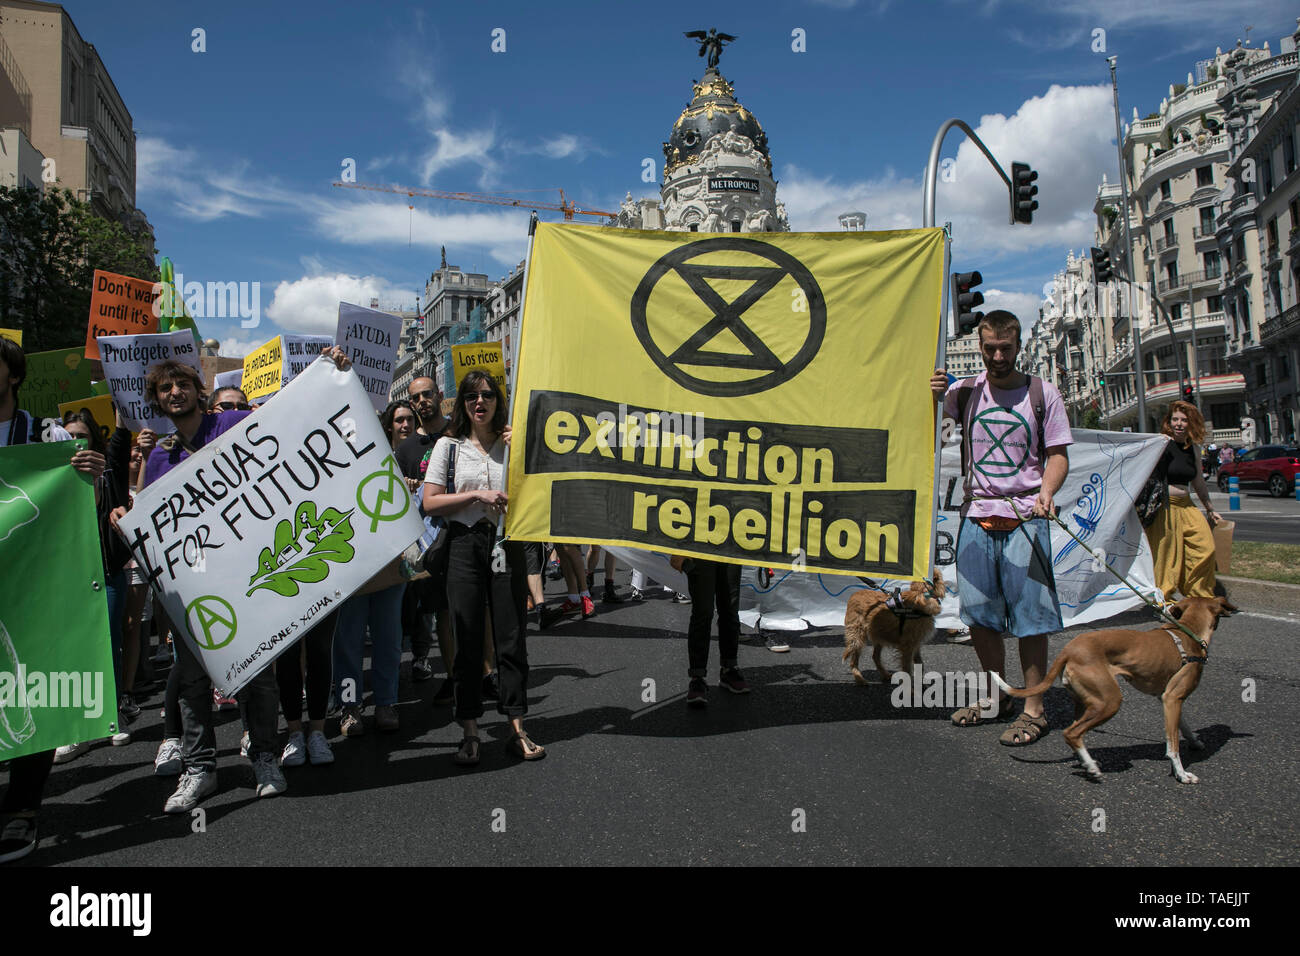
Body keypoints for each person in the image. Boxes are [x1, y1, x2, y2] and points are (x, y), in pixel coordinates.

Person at [112, 347, 353, 813]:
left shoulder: (230, 426)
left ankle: (264, 756)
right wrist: (127, 513)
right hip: (191, 587)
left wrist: (329, 369)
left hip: (245, 578)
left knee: (257, 675)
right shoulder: (158, 458)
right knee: (193, 681)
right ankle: (199, 769)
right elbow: (149, 518)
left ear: (198, 393)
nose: (176, 393)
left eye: (182, 385)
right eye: (166, 389)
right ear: (157, 402)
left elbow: (289, 419)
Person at [931, 310, 1072, 747]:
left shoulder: (1041, 393)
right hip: (975, 517)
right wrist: (934, 398)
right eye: (989, 348)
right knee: (980, 618)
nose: (997, 356)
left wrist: (1046, 492)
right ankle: (996, 696)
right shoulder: (964, 392)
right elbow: (936, 436)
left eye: (1005, 349)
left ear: (1018, 346)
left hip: (1026, 521)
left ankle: (1034, 708)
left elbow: (1058, 454)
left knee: (1031, 619)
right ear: (980, 346)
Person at [0, 338, 105, 863]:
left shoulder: (46, 435)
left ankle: (22, 810)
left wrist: (91, 477)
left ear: (13, 375)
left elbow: (79, 505)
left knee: (30, 686)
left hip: (30, 587)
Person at [422, 370, 543, 764]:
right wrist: (476, 494)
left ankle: (517, 728)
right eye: (472, 396)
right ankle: (470, 731)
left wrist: (521, 452)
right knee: (467, 639)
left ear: (497, 401)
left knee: (511, 639)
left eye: (487, 395)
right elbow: (430, 502)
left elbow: (539, 491)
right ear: (463, 403)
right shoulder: (449, 447)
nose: (480, 402)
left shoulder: (514, 444)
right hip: (463, 546)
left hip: (506, 543)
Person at [52, 410, 135, 761]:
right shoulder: (54, 479)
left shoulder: (110, 471)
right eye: (69, 437)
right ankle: (78, 728)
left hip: (107, 571)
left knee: (109, 643)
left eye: (82, 437)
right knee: (73, 650)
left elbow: (121, 435)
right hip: (69, 578)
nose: (77, 443)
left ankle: (111, 714)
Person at [393, 378, 456, 694]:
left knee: (475, 610)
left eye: (426, 394)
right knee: (441, 611)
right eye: (415, 397)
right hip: (430, 543)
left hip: (462, 532)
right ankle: (454, 679)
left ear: (439, 396)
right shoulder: (405, 449)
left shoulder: (459, 433)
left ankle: (485, 673)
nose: (421, 401)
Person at [1144, 401, 1221, 601]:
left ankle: (1199, 597)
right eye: (1175, 419)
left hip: (1186, 505)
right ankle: (1164, 599)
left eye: (1184, 420)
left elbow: (1198, 482)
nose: (1179, 424)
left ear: (1191, 423)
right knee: (1166, 557)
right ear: (1169, 422)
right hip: (1164, 507)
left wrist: (1210, 509)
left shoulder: (1193, 449)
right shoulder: (1160, 444)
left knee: (1205, 548)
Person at [683, 558, 748, 707]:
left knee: (730, 607)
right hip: (700, 549)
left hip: (730, 547)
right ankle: (697, 677)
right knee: (703, 610)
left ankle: (729, 668)